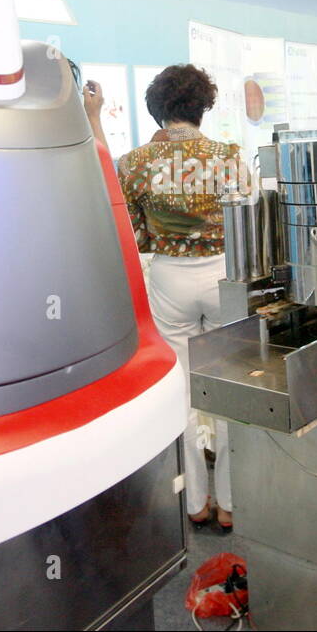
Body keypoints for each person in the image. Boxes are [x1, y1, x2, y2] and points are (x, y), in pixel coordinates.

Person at [113, 65, 242, 534]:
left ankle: (194, 504)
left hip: (169, 277)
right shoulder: (227, 155)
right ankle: (229, 503)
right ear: (201, 107)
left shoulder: (133, 163)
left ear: (158, 110)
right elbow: (245, 220)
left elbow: (135, 235)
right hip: (224, 273)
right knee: (229, 389)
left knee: (181, 393)